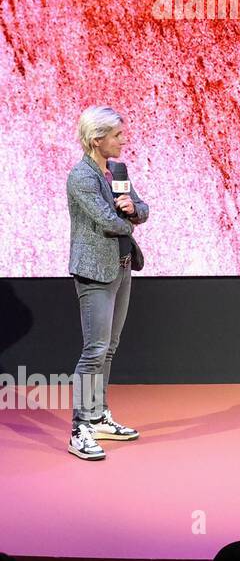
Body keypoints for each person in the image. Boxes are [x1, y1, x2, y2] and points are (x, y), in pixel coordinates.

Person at [66, 106, 148, 460]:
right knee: (94, 351)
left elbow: (143, 209)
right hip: (95, 271)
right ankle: (79, 428)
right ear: (97, 139)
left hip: (122, 266)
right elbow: (108, 221)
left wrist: (133, 208)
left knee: (109, 348)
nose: (123, 139)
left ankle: (98, 417)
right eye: (116, 135)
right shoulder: (82, 177)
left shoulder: (116, 171)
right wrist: (128, 219)